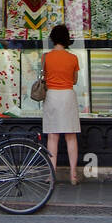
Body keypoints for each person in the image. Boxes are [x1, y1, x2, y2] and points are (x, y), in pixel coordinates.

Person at [42, 23, 80, 184]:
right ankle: (73, 175)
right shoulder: (73, 58)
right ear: (67, 39)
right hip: (68, 95)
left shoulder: (46, 57)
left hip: (52, 96)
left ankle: (51, 175)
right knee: (71, 136)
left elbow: (44, 76)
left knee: (53, 137)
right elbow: (75, 80)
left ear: (52, 39)